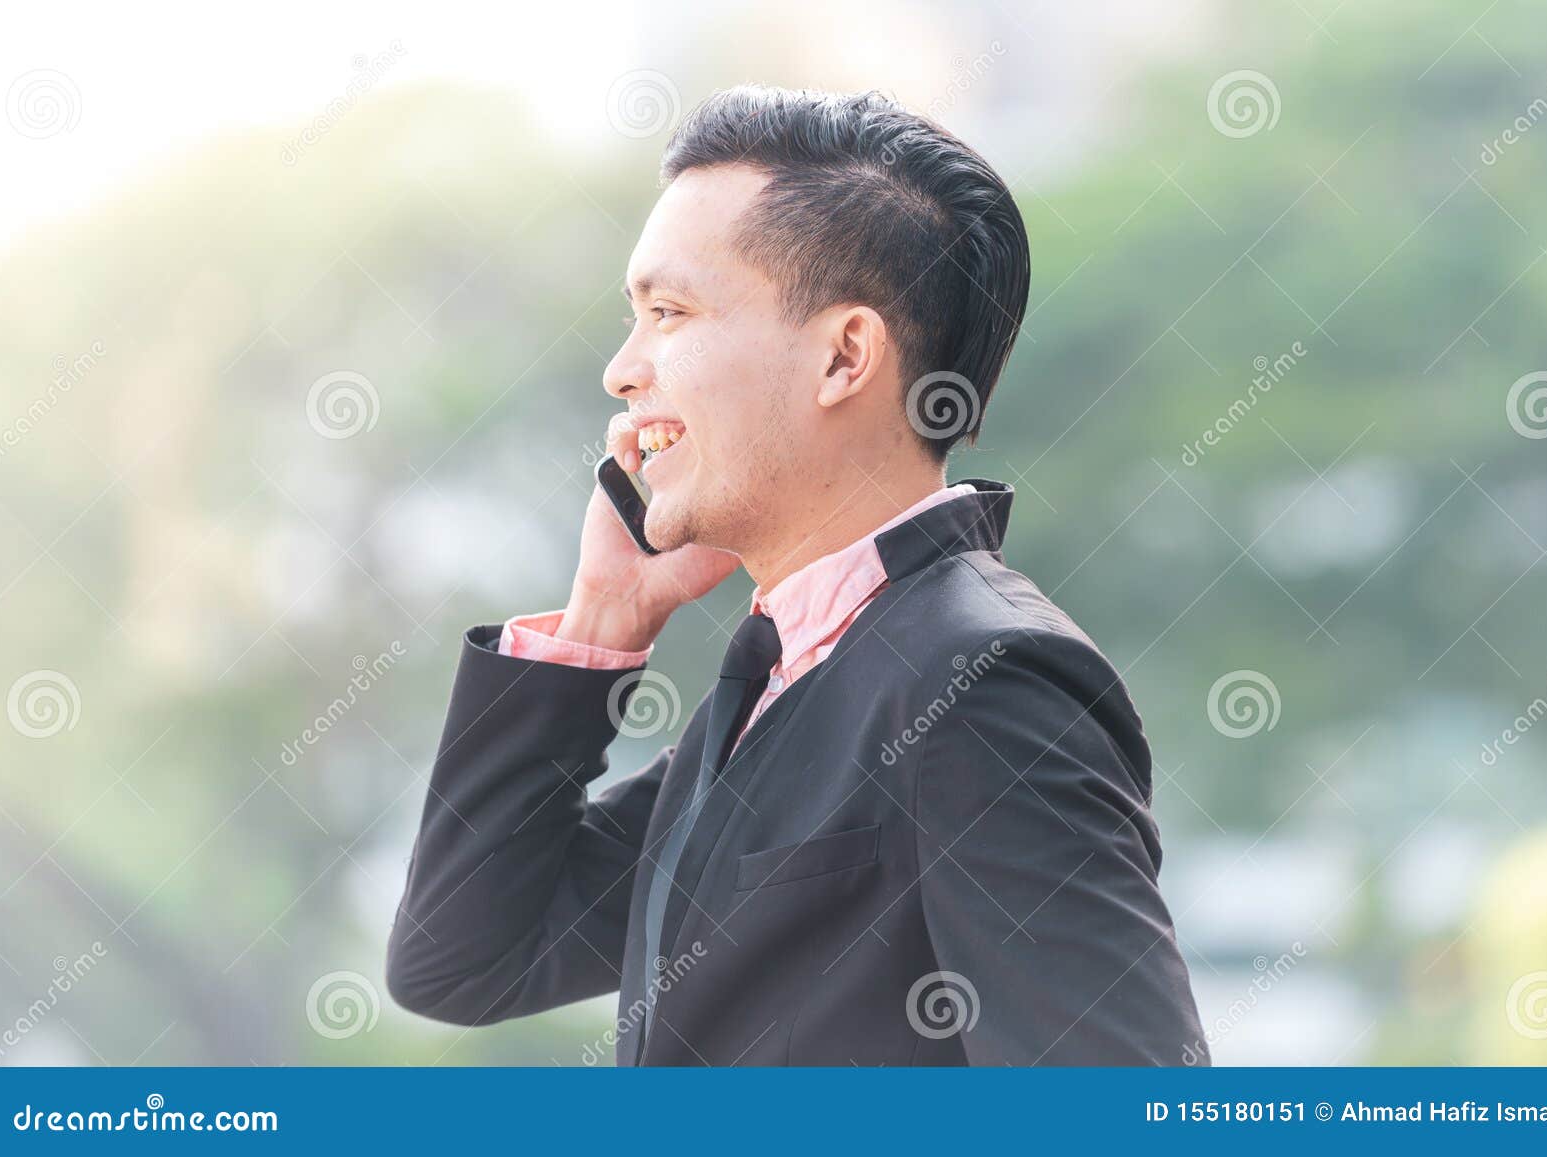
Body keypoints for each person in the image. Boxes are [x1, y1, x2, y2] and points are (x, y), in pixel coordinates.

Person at [386, 84, 1206, 1066]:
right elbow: (465, 960)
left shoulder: (981, 682)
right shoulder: (783, 676)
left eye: (668, 311)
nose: (623, 368)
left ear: (844, 355)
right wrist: (604, 617)